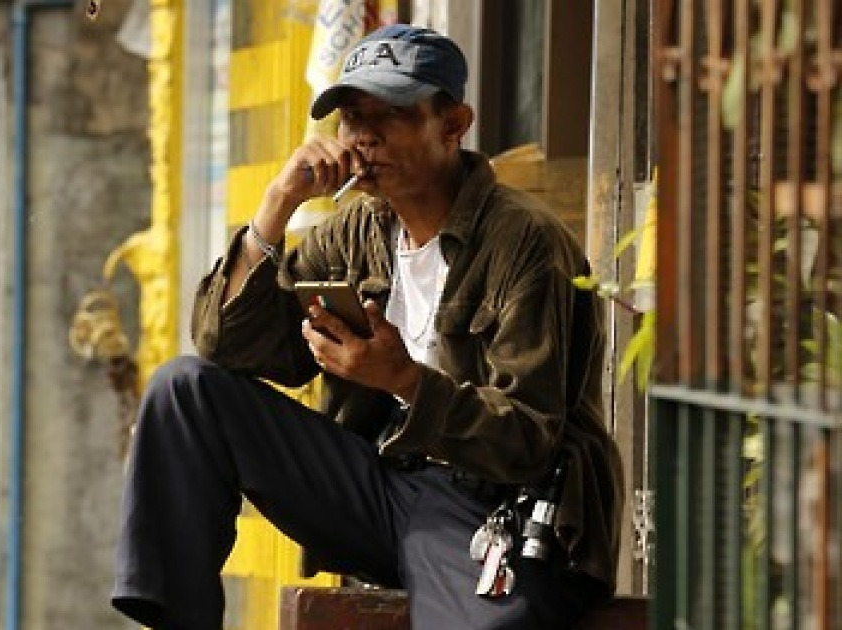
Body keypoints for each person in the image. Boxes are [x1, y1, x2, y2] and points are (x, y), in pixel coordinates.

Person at [111, 24, 624, 630]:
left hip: (492, 504)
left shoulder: (526, 243)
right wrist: (275, 208)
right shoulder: (357, 231)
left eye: (393, 115)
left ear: (454, 124)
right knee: (185, 391)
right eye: (353, 117)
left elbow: (529, 440)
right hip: (374, 487)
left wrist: (405, 381)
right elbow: (224, 345)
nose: (364, 138)